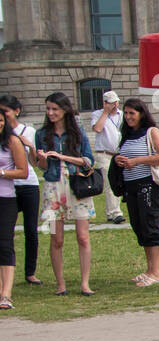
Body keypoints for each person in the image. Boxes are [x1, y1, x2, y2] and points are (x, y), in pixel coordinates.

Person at [34, 91, 94, 296]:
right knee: (56, 238)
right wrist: (41, 157)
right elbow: (41, 166)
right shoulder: (41, 134)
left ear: (65, 110)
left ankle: (85, 283)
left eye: (54, 109)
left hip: (76, 185)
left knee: (83, 237)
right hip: (53, 186)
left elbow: (88, 160)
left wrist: (62, 156)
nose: (50, 113)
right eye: (48, 109)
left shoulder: (78, 132)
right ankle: (61, 284)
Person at [113, 98, 159, 287]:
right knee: (139, 226)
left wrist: (137, 161)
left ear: (141, 114)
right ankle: (149, 269)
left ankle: (156, 272)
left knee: (150, 225)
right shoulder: (127, 134)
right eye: (126, 113)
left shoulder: (151, 132)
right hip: (131, 187)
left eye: (132, 113)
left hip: (147, 185)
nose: (129, 117)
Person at [0, 96, 41, 286]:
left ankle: (30, 272)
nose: (4, 114)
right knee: (6, 232)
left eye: (6, 110)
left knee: (30, 229)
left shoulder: (28, 131)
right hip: (8, 188)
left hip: (28, 185)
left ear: (16, 111)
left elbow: (33, 163)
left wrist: (30, 146)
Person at [0, 108, 30, 310]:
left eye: (0, 120)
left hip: (5, 199)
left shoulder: (12, 141)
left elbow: (23, 171)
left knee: (4, 244)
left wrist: (2, 172)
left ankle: (6, 294)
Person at [90, 90, 126, 224]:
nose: (114, 105)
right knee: (110, 183)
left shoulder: (122, 115)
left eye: (116, 102)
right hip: (104, 154)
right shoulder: (97, 114)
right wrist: (105, 112)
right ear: (105, 103)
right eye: (111, 103)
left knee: (118, 182)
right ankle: (115, 212)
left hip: (118, 154)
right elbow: (98, 129)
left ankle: (111, 212)